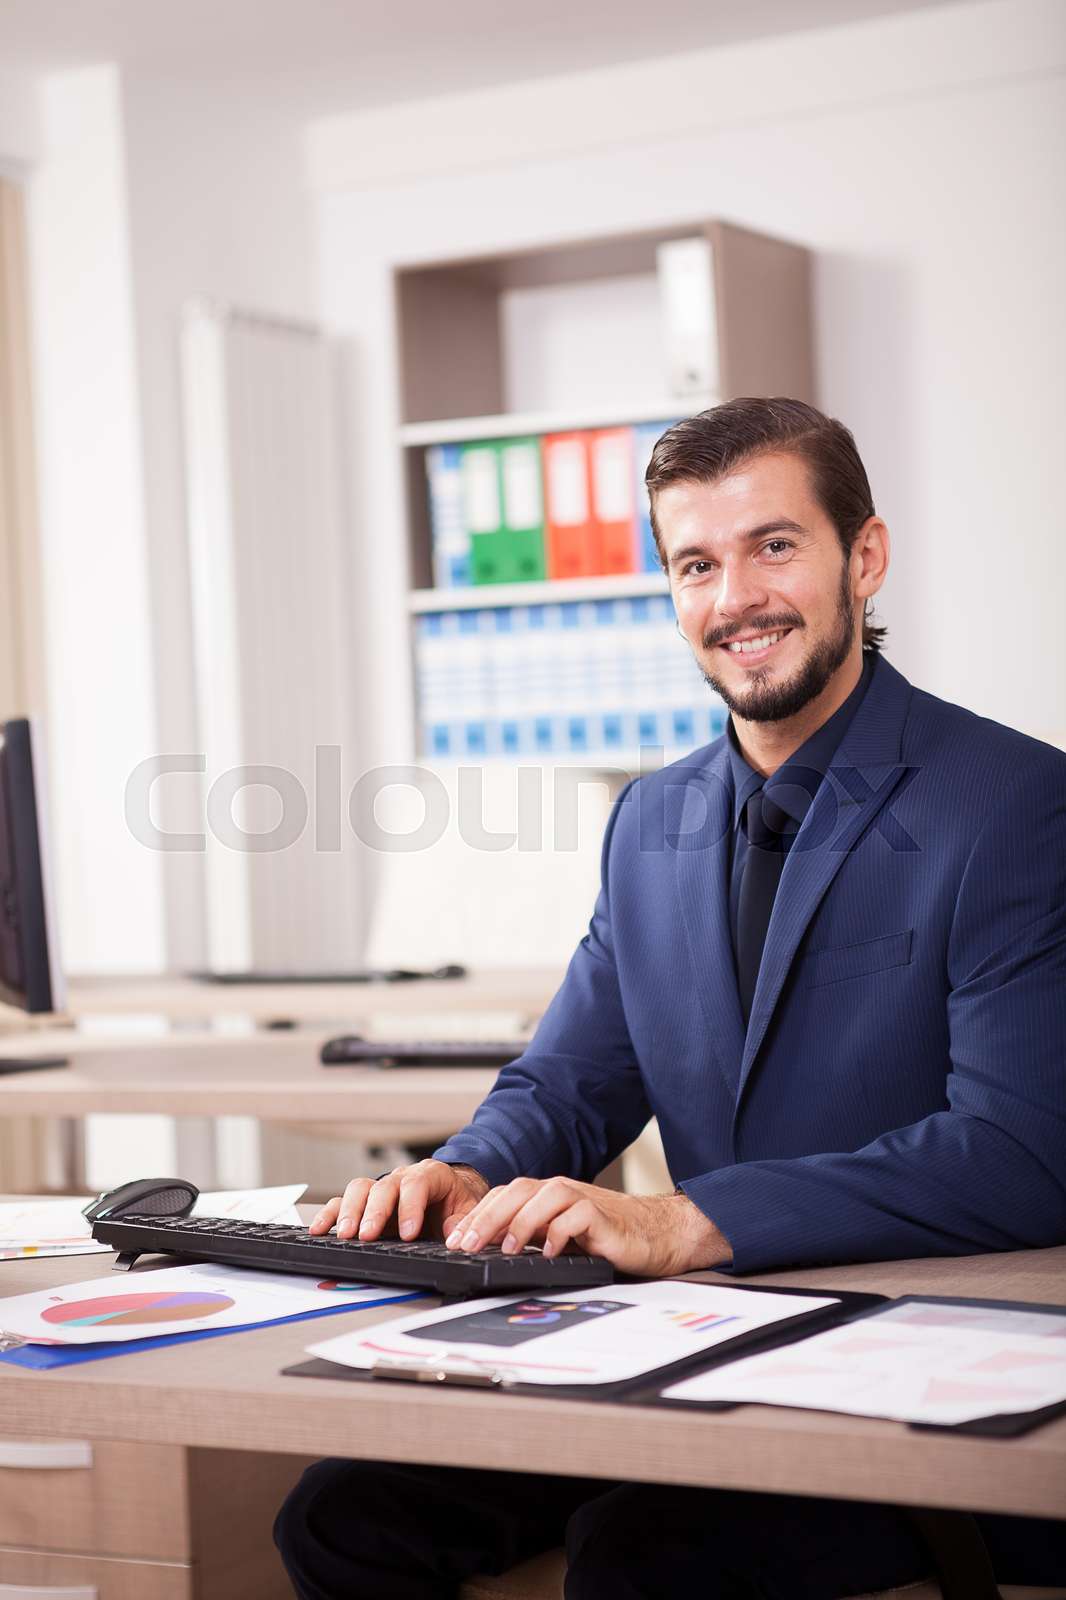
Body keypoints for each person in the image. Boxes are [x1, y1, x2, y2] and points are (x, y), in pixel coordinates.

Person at [275, 398, 1066, 1599]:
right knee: (340, 1516)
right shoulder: (650, 820)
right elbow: (571, 1079)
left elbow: (1019, 1151)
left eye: (774, 546)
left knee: (642, 1559)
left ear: (863, 555)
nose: (735, 597)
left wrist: (683, 1221)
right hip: (691, 1338)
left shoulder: (1010, 802)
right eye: (696, 562)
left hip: (909, 1356)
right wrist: (469, 1169)